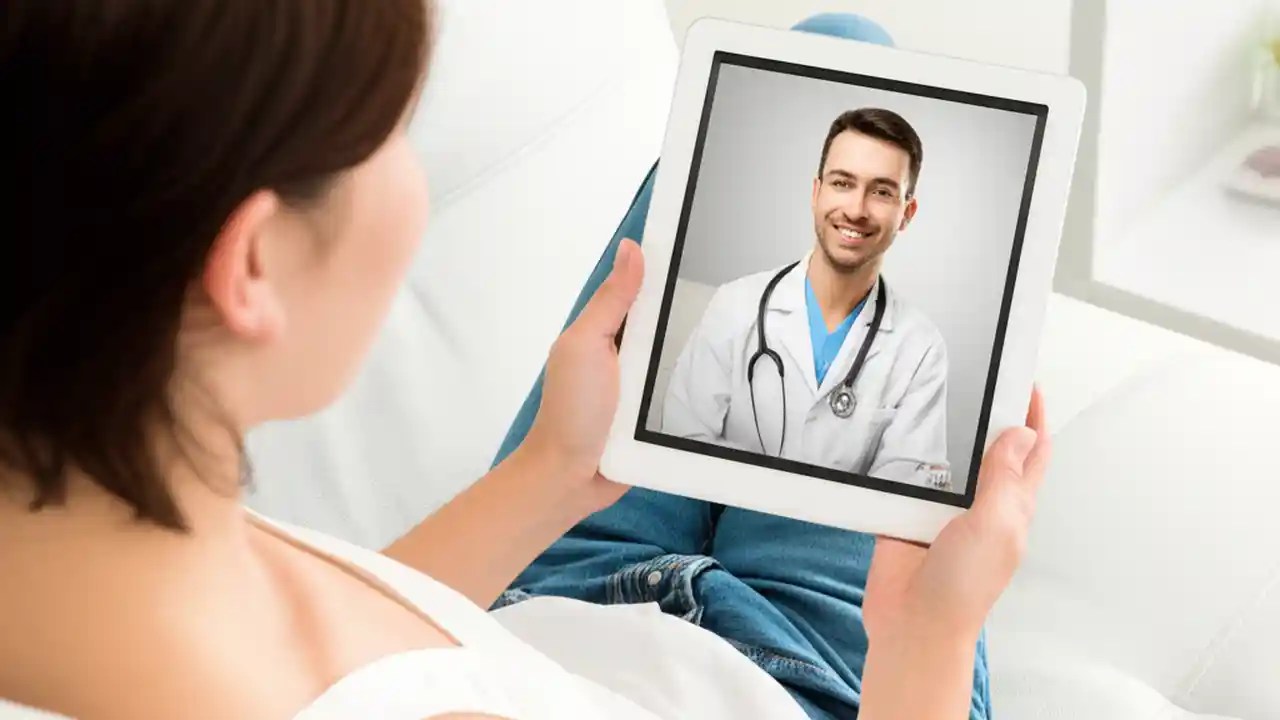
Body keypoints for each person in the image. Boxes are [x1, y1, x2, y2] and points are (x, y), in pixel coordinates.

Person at [0, 4, 1051, 720]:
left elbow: (330, 646)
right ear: (254, 265)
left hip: (547, 592)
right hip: (830, 679)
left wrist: (548, 473)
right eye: (386, 136)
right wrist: (927, 641)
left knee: (831, 52)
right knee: (841, 57)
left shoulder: (95, 533)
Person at [661, 107, 951, 489]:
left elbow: (905, 496)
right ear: (816, 193)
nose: (856, 209)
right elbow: (678, 447)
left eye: (881, 192)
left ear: (906, 213)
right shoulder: (734, 305)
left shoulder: (921, 348)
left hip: (835, 546)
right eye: (842, 183)